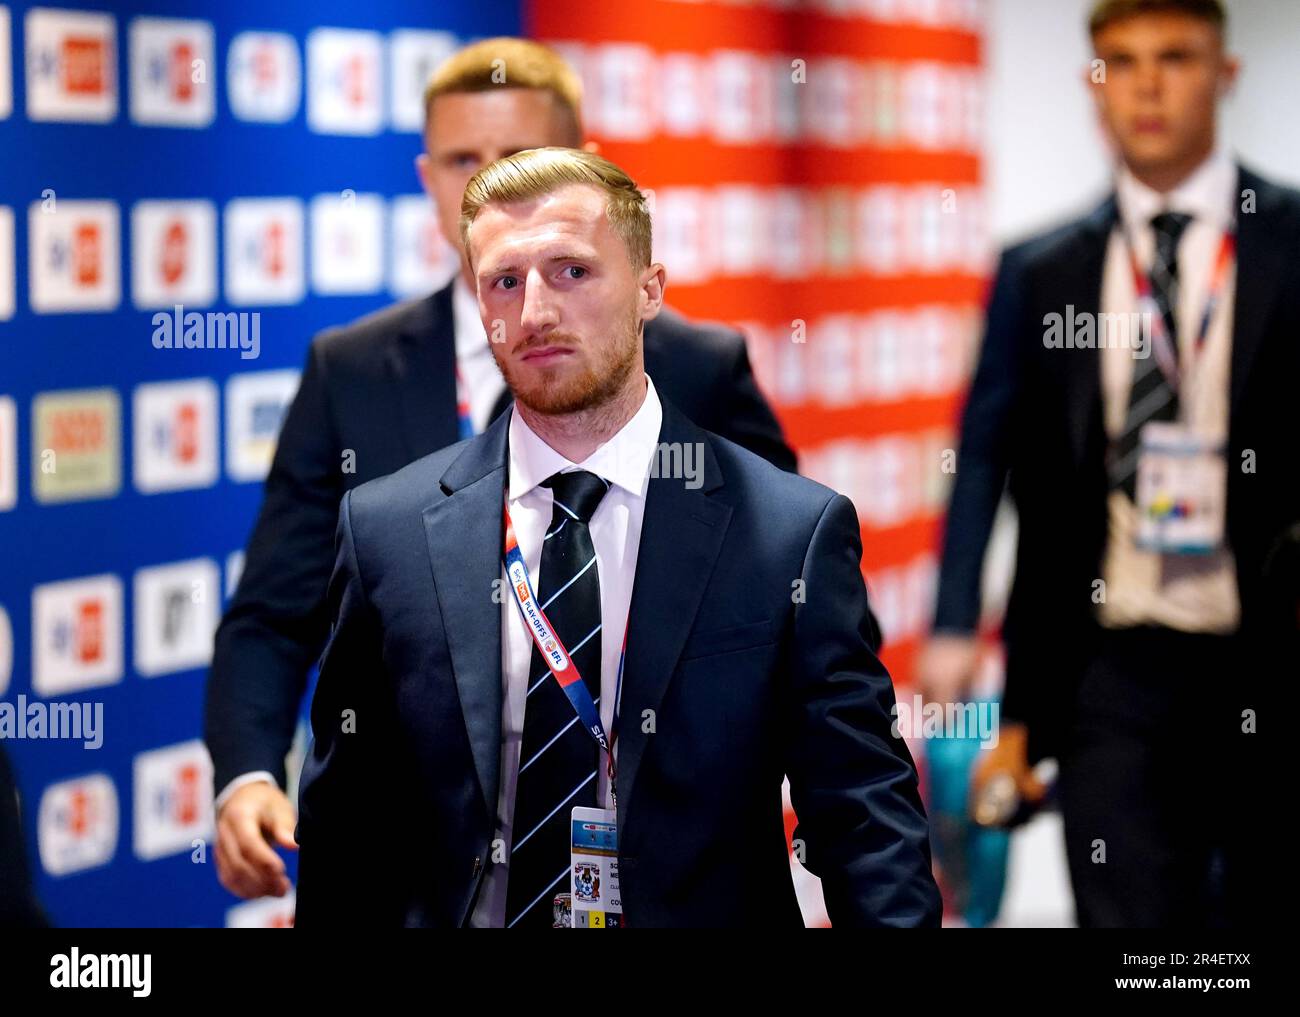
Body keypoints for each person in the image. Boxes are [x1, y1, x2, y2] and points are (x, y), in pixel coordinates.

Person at [205, 39, 796, 900]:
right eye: (460, 159)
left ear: (584, 163)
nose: (487, 181)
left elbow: (784, 599)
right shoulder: (352, 369)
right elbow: (276, 606)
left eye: (516, 157)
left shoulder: (699, 365)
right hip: (437, 870)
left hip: (669, 865)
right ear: (427, 175)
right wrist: (247, 772)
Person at [294, 147, 941, 927]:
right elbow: (344, 834)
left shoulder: (787, 534)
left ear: (649, 290)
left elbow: (864, 822)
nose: (534, 310)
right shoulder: (385, 531)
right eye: (505, 280)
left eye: (571, 272)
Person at [918, 0, 1295, 926]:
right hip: (1106, 663)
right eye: (1120, 62)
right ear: (1096, 84)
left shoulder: (1289, 241)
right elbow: (984, 453)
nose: (1149, 85)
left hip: (1271, 651)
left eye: (1176, 56)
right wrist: (955, 619)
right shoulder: (1041, 269)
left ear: (1226, 73)